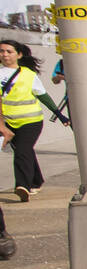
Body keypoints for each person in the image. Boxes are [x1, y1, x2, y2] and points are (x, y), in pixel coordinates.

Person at [1, 39, 70, 201]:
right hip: (8, 122)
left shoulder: (28, 75)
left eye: (8, 51)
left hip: (31, 121)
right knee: (25, 151)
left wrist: (59, 115)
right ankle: (36, 181)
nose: (4, 54)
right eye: (1, 51)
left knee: (21, 151)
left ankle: (22, 186)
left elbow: (43, 96)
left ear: (19, 55)